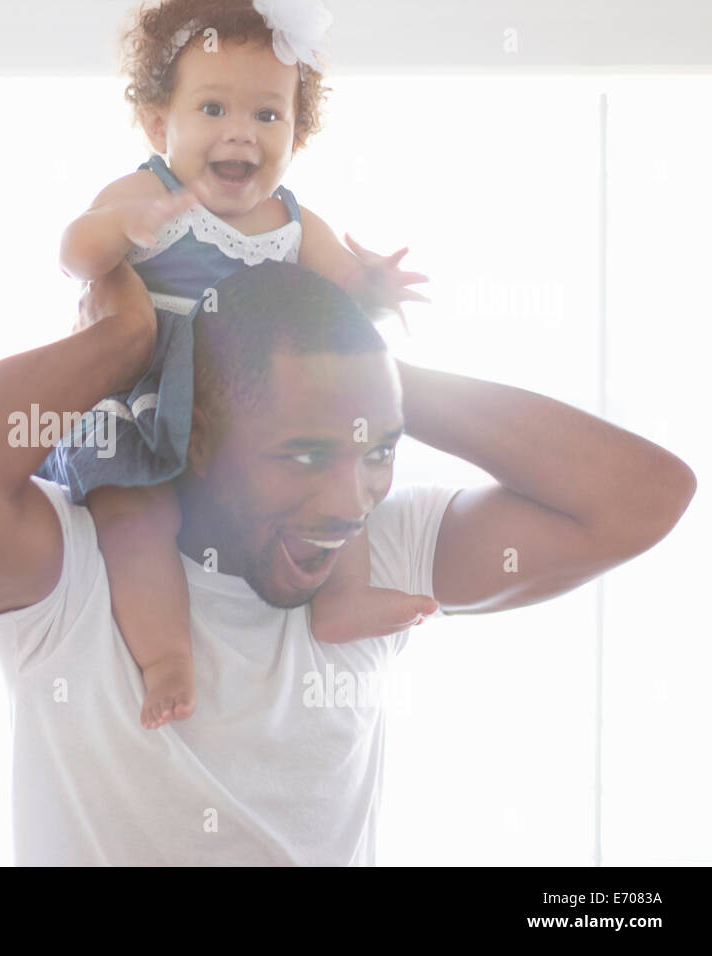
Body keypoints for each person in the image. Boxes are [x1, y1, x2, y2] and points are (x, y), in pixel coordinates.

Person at [0, 260, 695, 866]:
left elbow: (643, 496)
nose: (350, 500)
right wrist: (130, 341)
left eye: (377, 452)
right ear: (198, 436)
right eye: (306, 454)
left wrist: (367, 374)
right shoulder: (77, 575)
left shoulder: (380, 554)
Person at [44, 0, 431, 732]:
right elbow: (74, 254)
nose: (239, 133)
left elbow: (343, 299)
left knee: (340, 474)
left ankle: (342, 599)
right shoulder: (150, 196)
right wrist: (119, 230)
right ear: (161, 124)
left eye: (267, 116)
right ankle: (166, 657)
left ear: (297, 130)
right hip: (147, 405)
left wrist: (373, 287)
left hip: (249, 420)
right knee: (136, 516)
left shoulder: (293, 222)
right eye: (213, 107)